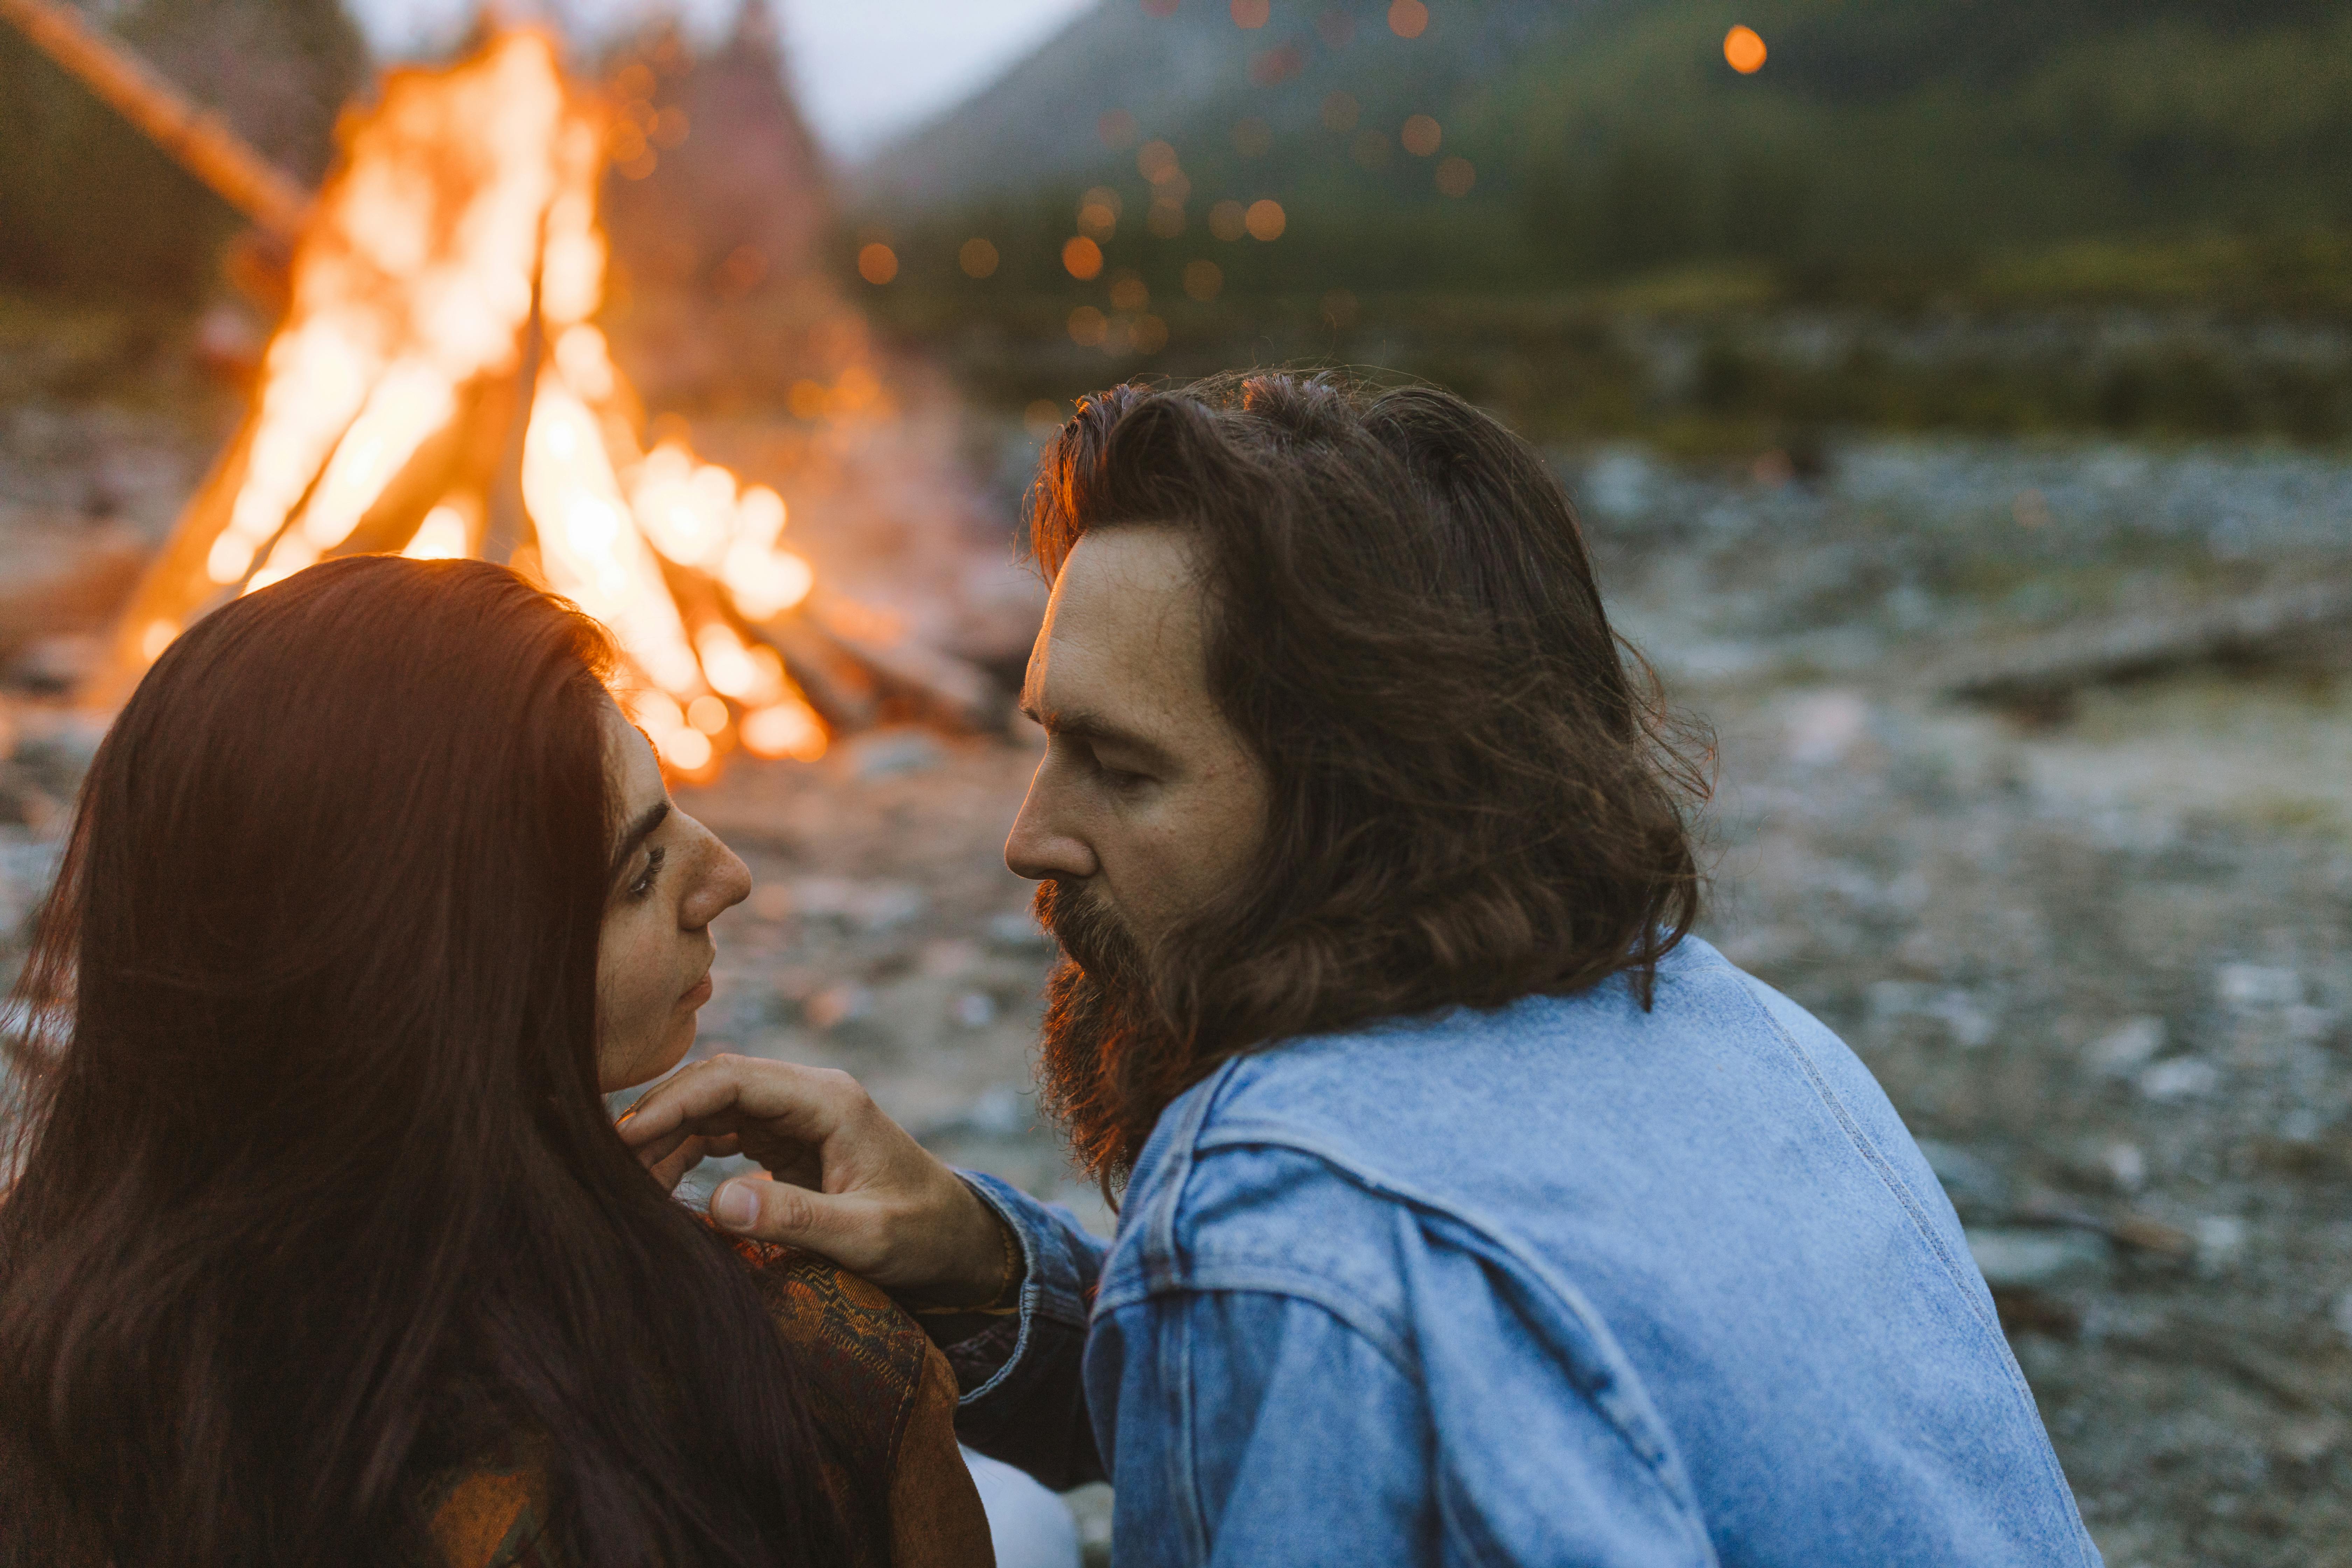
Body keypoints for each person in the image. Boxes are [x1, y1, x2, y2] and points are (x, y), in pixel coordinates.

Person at [621, 374, 2104, 1566]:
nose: (1030, 840)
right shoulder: (1753, 1041)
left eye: (1122, 771)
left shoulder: (1274, 1208)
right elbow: (1394, 1387)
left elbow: (1314, 1304)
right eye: (1043, 741)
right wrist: (991, 1267)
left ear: (1369, 802)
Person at [0, 557, 993, 1568]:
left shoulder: (56, 1346)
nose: (728, 878)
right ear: (438, 989)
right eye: (642, 873)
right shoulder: (801, 1373)